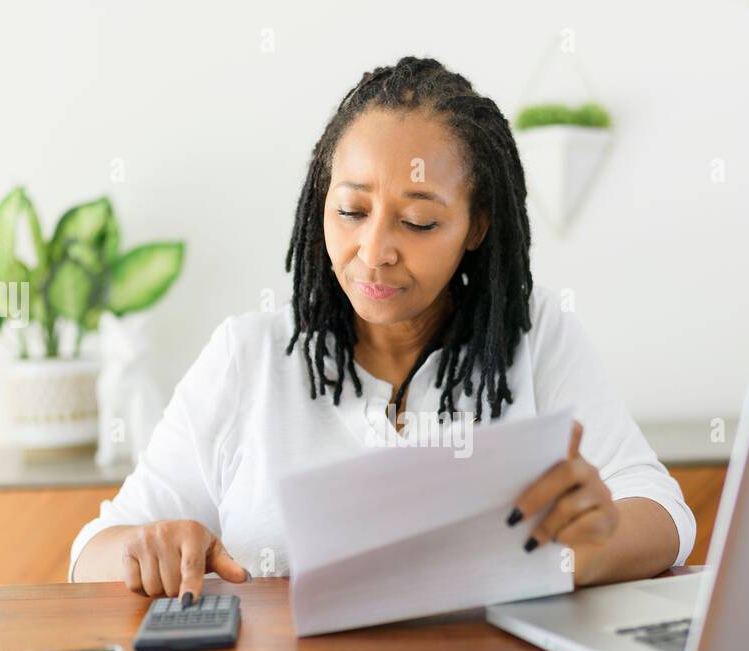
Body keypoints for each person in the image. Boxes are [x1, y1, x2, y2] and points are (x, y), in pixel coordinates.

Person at [71, 56, 694, 603]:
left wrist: (595, 545)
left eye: (419, 222)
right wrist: (145, 550)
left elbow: (665, 514)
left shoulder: (535, 337)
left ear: (475, 227)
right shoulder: (248, 356)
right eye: (351, 211)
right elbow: (90, 553)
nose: (374, 252)